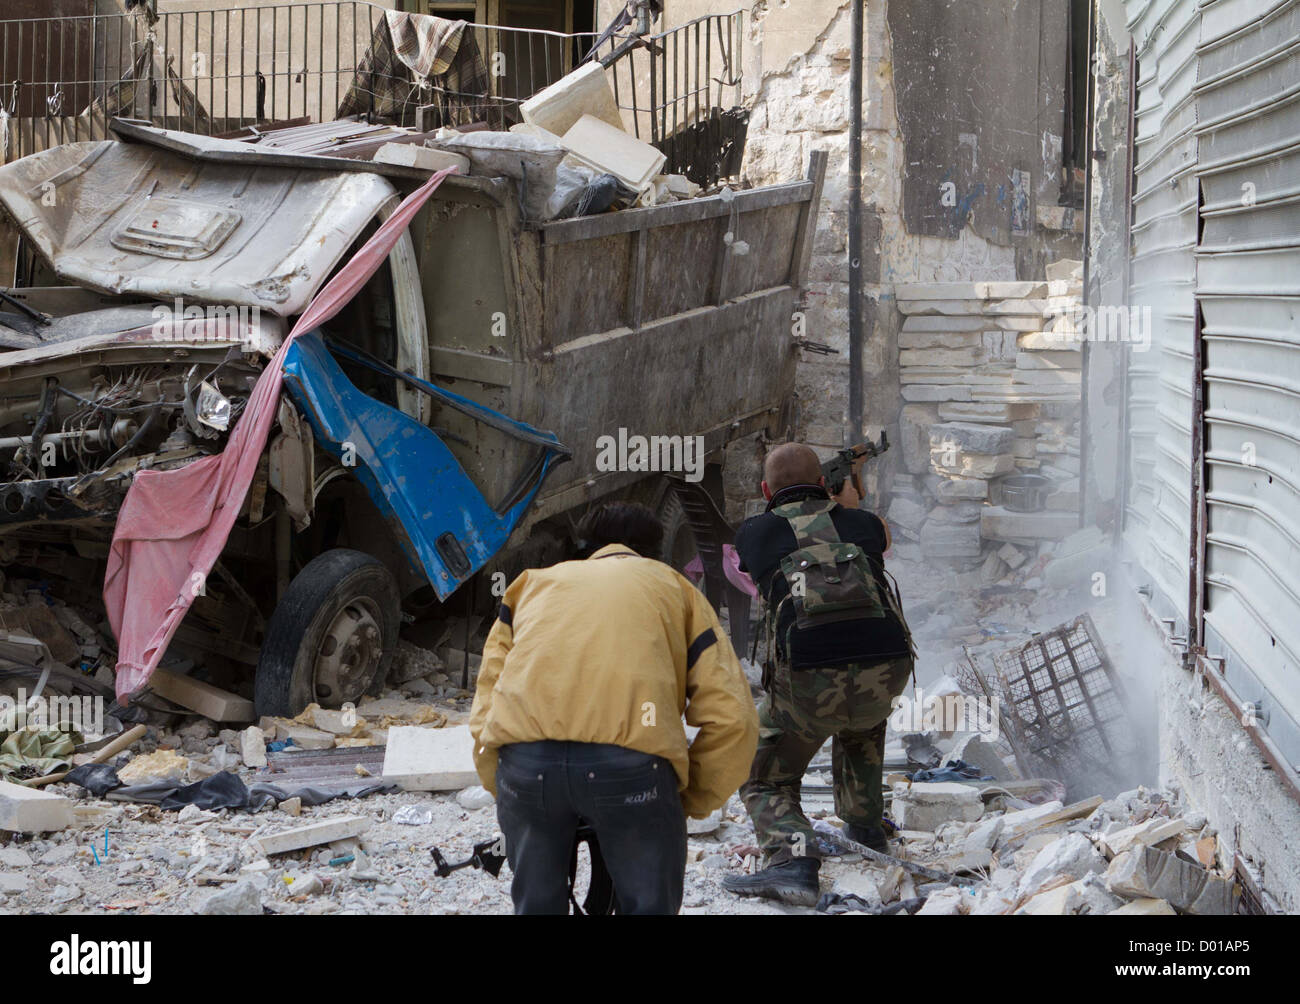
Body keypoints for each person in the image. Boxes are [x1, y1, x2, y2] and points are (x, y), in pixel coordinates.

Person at [469, 501, 758, 915]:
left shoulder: (530, 585)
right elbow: (734, 717)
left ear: (583, 547)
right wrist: (688, 799)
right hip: (632, 772)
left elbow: (488, 700)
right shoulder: (675, 588)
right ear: (652, 552)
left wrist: (501, 785)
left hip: (527, 769)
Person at [722, 443, 914, 907]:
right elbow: (877, 542)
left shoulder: (755, 533)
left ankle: (792, 861)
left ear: (766, 489)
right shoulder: (865, 524)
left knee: (761, 771)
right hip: (887, 665)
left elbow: (747, 567)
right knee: (861, 722)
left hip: (808, 677)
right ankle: (866, 826)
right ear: (826, 483)